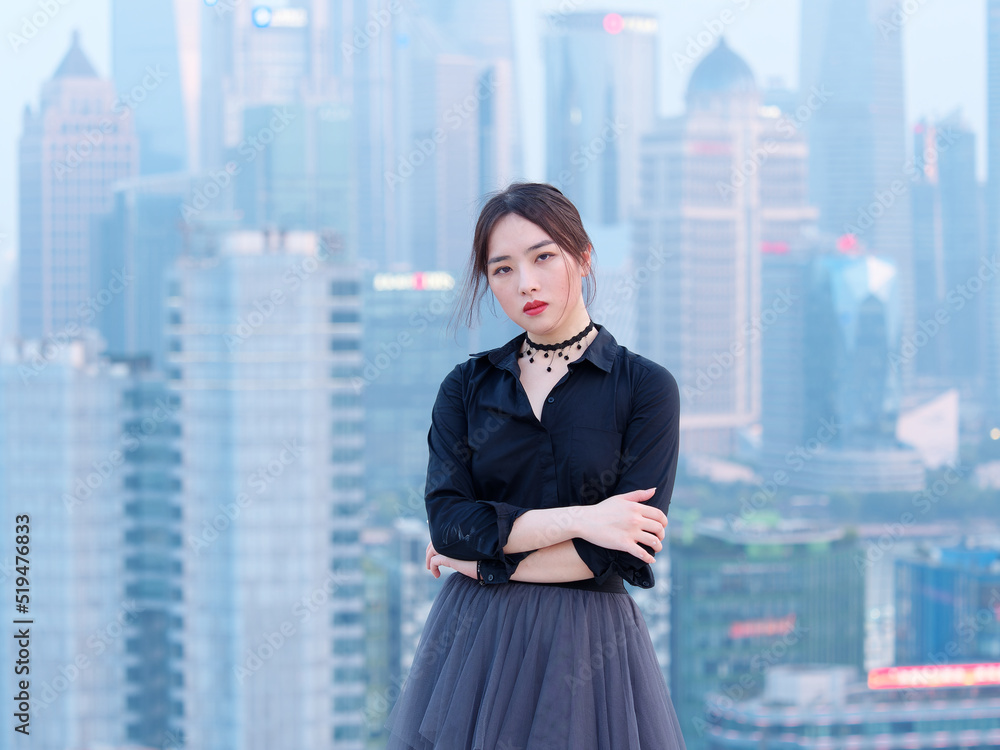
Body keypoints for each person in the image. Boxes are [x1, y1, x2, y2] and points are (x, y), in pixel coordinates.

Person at [384, 182, 687, 749]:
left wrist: (484, 564)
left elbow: (614, 554)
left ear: (584, 256)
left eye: (543, 257)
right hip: (474, 646)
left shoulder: (644, 388)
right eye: (501, 269)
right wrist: (580, 519)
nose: (525, 283)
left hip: (587, 651)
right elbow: (449, 525)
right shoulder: (467, 388)